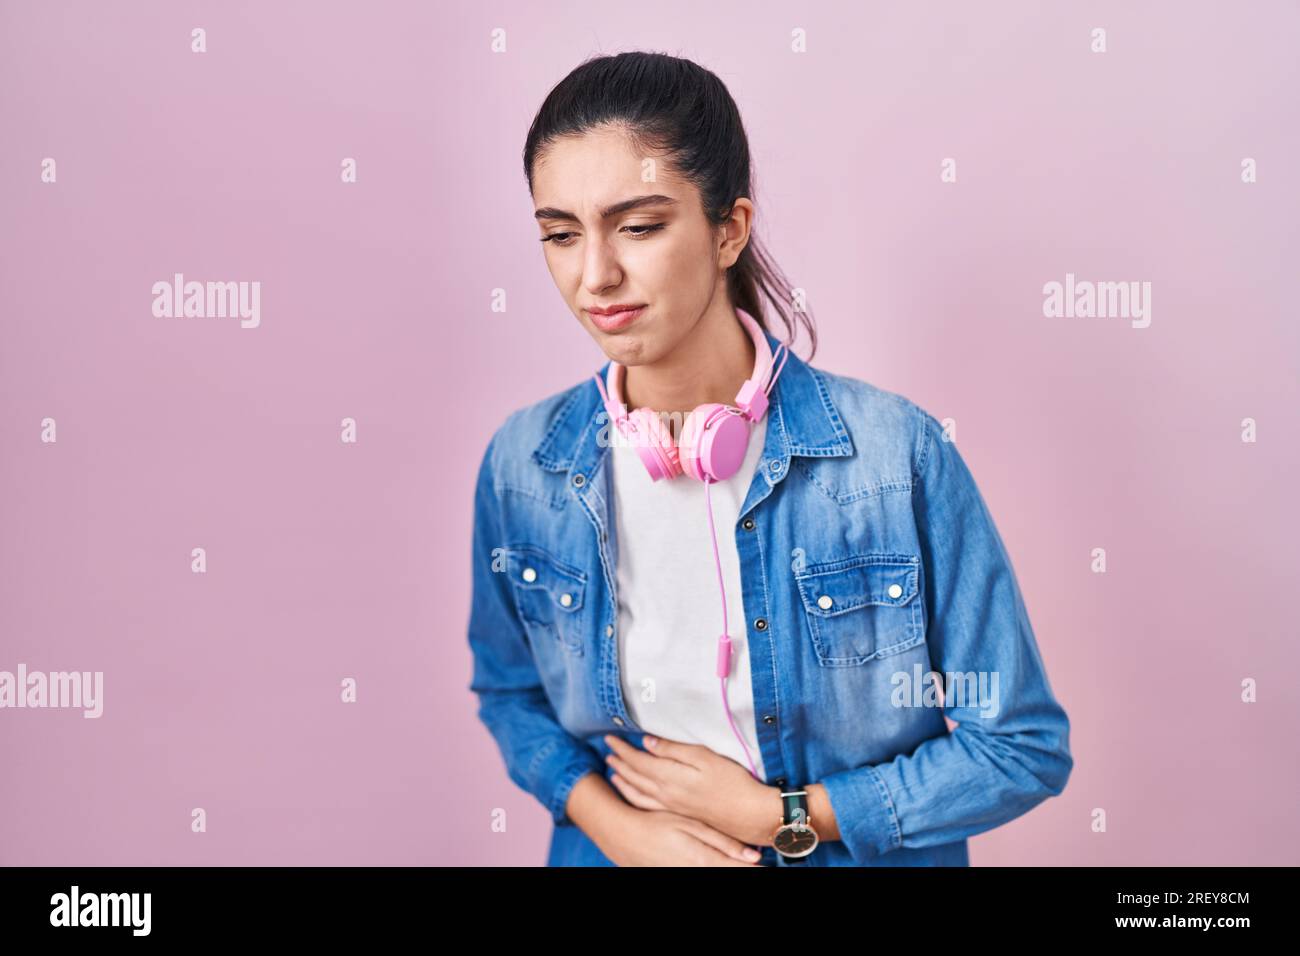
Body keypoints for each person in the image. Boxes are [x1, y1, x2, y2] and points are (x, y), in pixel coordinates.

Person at [467, 51, 1072, 867]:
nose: (595, 275)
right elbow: (510, 694)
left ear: (729, 230)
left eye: (639, 226)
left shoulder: (894, 456)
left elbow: (1021, 746)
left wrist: (789, 815)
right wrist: (616, 829)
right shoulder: (523, 466)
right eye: (561, 234)